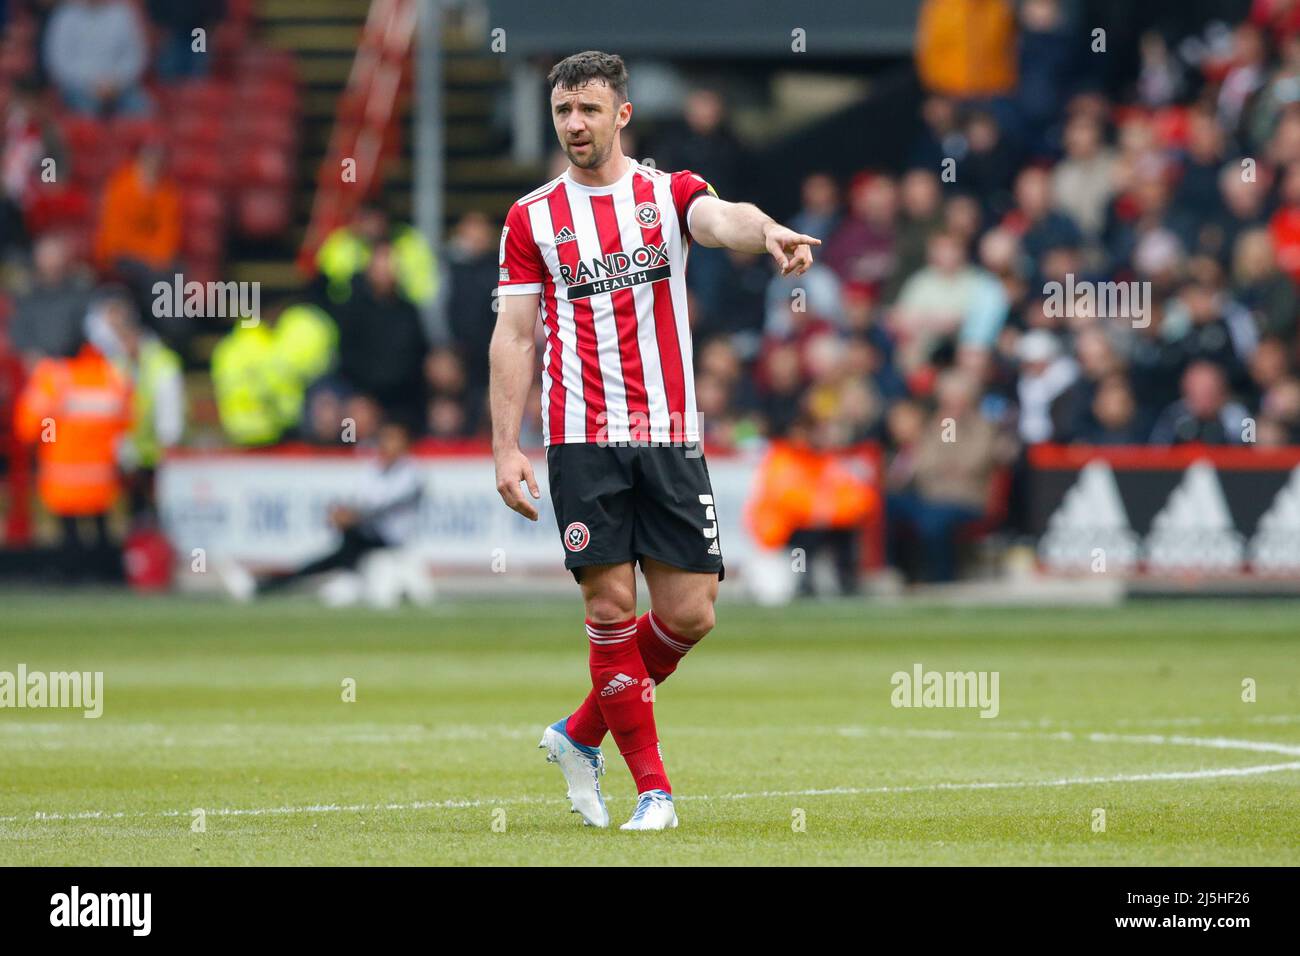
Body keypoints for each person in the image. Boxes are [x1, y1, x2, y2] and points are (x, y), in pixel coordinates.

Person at [490, 51, 819, 832]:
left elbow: (721, 217)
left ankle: (579, 734)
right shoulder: (530, 217)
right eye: (564, 111)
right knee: (610, 605)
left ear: (621, 115)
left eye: (589, 110)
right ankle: (655, 792)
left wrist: (768, 230)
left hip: (670, 434)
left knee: (691, 614)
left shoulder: (664, 195)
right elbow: (513, 333)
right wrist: (507, 446)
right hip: (582, 437)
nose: (575, 125)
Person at [219, 420, 422, 600]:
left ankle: (264, 586)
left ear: (405, 444)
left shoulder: (410, 474)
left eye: (394, 440)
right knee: (326, 560)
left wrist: (351, 516)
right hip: (363, 538)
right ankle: (266, 585)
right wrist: (340, 514)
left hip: (389, 541)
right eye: (385, 439)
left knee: (332, 558)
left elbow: (384, 507)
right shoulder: (373, 470)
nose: (388, 445)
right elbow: (357, 502)